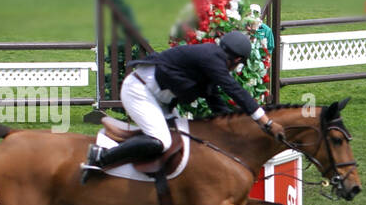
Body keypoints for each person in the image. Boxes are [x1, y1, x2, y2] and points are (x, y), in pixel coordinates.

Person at [82, 31, 282, 181]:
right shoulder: (212, 57)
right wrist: (265, 120)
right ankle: (101, 157)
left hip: (160, 99)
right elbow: (234, 90)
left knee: (183, 139)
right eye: (239, 64)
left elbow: (217, 105)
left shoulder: (212, 61)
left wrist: (237, 129)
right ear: (237, 59)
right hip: (139, 91)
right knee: (162, 141)